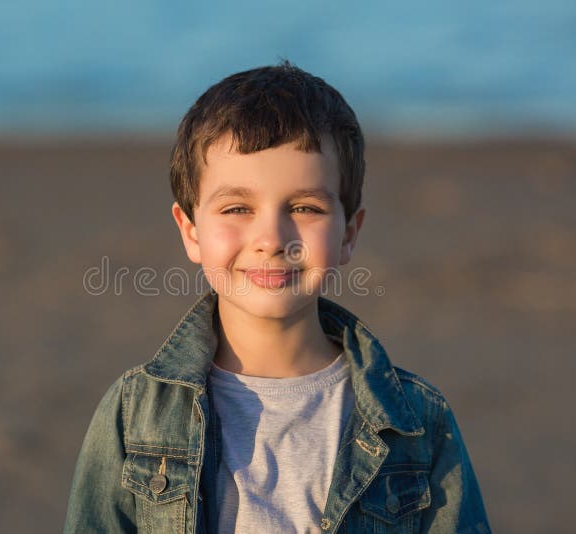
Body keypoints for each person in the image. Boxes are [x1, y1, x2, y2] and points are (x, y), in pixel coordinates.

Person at [63, 60, 490, 533]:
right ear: (191, 232)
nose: (271, 238)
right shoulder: (134, 413)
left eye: (305, 207)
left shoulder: (417, 423)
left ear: (349, 233)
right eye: (237, 208)